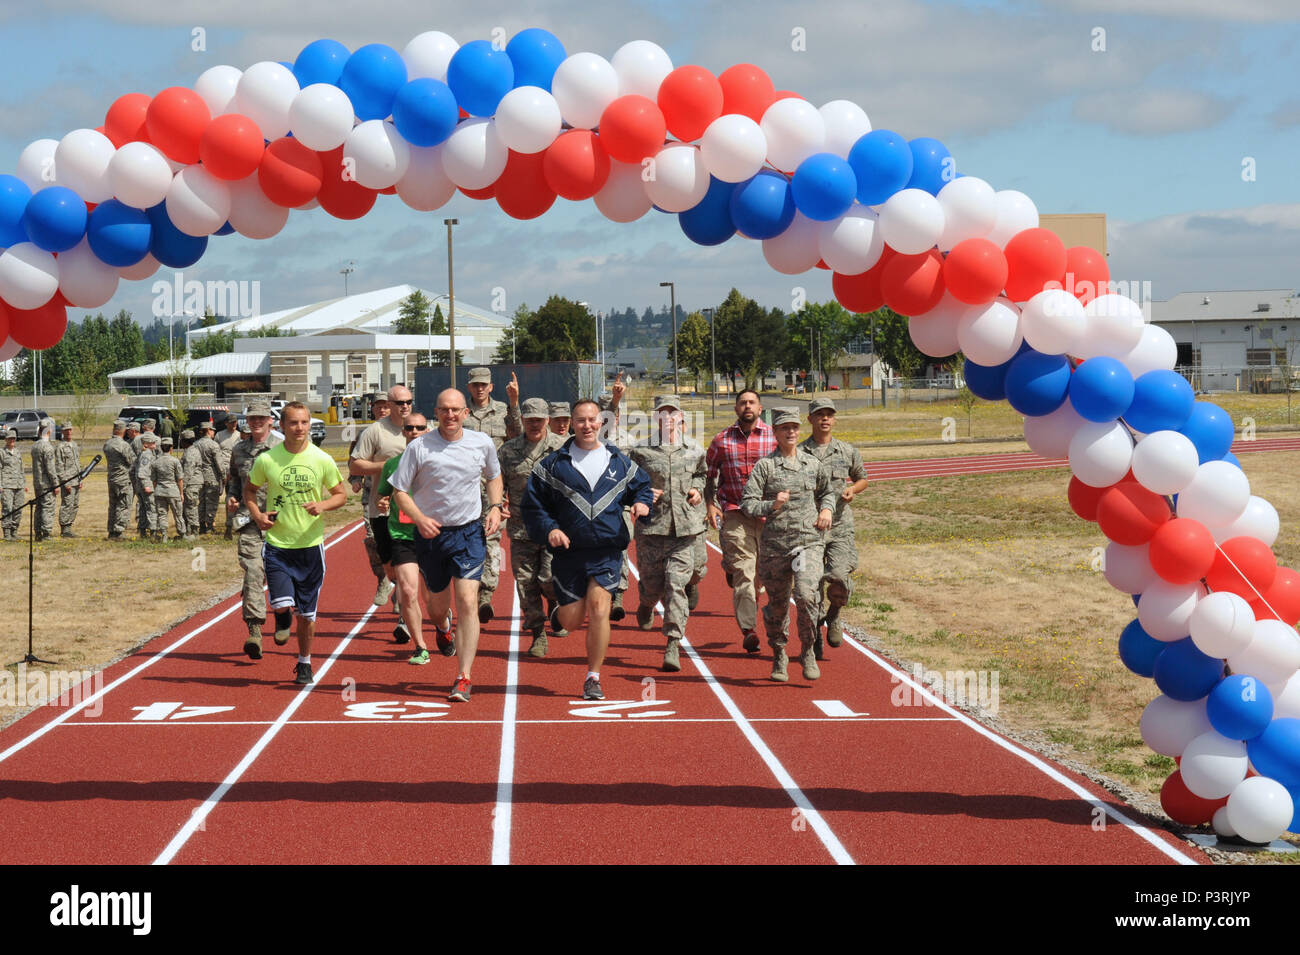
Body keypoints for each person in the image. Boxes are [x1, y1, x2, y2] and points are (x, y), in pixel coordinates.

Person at [522, 398, 651, 701]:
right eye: (581, 420)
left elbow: (642, 487)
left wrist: (643, 503)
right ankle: (559, 609)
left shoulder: (620, 462)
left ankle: (593, 676)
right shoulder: (553, 464)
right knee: (570, 620)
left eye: (593, 420)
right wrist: (550, 529)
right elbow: (532, 506)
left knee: (600, 609)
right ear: (571, 424)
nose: (588, 425)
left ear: (602, 422)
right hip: (568, 555)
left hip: (606, 551)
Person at [389, 388, 504, 703]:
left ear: (466, 413)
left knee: (468, 600)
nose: (450, 415)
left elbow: (494, 476)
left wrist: (494, 506)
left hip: (468, 533)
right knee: (436, 607)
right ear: (435, 413)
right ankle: (442, 627)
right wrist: (419, 518)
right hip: (430, 537)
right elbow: (399, 491)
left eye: (456, 410)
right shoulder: (419, 447)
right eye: (444, 410)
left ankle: (463, 676)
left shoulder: (481, 443)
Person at [245, 402, 347, 685]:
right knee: (281, 604)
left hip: (311, 547)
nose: (299, 428)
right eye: (293, 423)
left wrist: (323, 505)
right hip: (278, 545)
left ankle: (304, 662)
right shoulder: (268, 460)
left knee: (307, 614)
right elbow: (250, 491)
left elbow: (341, 495)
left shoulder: (322, 459)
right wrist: (258, 515)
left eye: (304, 423)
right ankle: (280, 616)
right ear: (282, 426)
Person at [740, 408, 836, 683]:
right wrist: (773, 504)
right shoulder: (765, 467)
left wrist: (826, 509)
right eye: (785, 428)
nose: (791, 432)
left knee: (807, 596)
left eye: (794, 427)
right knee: (778, 606)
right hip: (775, 546)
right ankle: (779, 651)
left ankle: (807, 650)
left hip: (807, 543)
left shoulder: (812, 464)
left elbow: (827, 491)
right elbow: (748, 503)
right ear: (776, 433)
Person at [628, 395, 707, 672]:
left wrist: (697, 490)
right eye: (662, 413)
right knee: (653, 586)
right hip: (652, 529)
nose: (668, 417)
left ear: (681, 417)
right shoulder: (641, 451)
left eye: (673, 412)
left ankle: (672, 643)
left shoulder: (695, 449)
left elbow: (702, 474)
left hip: (684, 530)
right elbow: (629, 484)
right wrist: (643, 493)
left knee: (676, 585)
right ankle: (646, 604)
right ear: (656, 417)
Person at [374, 412, 450, 665]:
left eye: (420, 427)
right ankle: (420, 647)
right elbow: (382, 497)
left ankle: (442, 626)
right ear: (403, 432)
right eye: (410, 428)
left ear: (427, 431)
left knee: (432, 600)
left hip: (432, 536)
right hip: (402, 536)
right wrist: (383, 501)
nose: (414, 432)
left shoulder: (440, 461)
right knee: (407, 591)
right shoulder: (392, 465)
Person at [705, 389, 776, 653]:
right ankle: (749, 630)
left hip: (769, 516)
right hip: (735, 512)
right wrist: (710, 504)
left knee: (760, 578)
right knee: (745, 573)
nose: (747, 406)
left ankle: (731, 567)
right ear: (736, 408)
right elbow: (708, 475)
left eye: (752, 402)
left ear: (760, 408)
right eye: (742, 403)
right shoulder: (721, 440)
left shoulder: (774, 437)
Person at [799, 397, 869, 657]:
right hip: (810, 527)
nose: (825, 419)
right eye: (819, 414)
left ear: (834, 419)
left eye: (829, 414)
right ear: (810, 419)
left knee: (840, 576)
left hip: (840, 525)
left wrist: (852, 489)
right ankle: (816, 629)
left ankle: (835, 613)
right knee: (812, 583)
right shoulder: (800, 452)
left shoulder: (846, 450)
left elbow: (863, 478)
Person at [497, 397, 565, 658]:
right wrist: (496, 504)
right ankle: (538, 633)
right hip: (520, 527)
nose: (535, 424)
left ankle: (555, 601)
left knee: (548, 578)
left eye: (539, 419)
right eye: (530, 420)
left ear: (548, 420)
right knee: (526, 583)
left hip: (554, 528)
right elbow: (495, 482)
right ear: (522, 421)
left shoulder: (563, 448)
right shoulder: (508, 450)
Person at [348, 385, 411, 634]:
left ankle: (405, 620)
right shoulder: (374, 432)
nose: (403, 406)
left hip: (413, 511)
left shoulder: (420, 428)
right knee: (391, 565)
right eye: (397, 403)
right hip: (381, 509)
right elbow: (355, 465)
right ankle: (388, 583)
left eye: (408, 402)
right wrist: (389, 466)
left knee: (410, 567)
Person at [461, 366, 521, 624]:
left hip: (494, 488)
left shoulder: (505, 412)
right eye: (475, 384)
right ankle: (469, 593)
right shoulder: (460, 415)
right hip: (464, 489)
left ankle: (485, 595)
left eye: (484, 384)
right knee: (466, 540)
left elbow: (518, 435)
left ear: (491, 386)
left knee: (492, 541)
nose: (480, 388)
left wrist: (514, 402)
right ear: (469, 387)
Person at [226, 402, 284, 658]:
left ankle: (284, 617)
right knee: (252, 571)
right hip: (249, 521)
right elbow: (234, 481)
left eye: (261, 418)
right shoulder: (238, 450)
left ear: (270, 420)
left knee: (281, 574)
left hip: (280, 522)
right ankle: (255, 630)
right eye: (252, 418)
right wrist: (232, 497)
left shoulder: (282, 448)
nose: (256, 422)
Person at [351, 395, 394, 608]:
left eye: (387, 406)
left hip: (398, 498)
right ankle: (383, 579)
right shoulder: (366, 433)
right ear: (373, 409)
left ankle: (400, 588)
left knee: (400, 543)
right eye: (379, 407)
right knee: (372, 539)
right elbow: (354, 461)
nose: (383, 410)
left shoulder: (401, 430)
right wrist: (355, 480)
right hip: (372, 497)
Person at [103, 419, 135, 540]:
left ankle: (111, 530)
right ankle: (119, 531)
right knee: (123, 504)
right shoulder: (123, 445)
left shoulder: (107, 444)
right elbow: (131, 460)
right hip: (122, 479)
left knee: (113, 505)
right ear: (122, 431)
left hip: (111, 478)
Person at [151, 436, 187, 541]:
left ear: (161, 448)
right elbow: (180, 479)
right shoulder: (175, 461)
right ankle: (182, 534)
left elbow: (154, 480)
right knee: (178, 514)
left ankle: (164, 535)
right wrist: (181, 493)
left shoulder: (156, 462)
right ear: (171, 448)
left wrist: (156, 491)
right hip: (173, 491)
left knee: (162, 515)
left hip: (159, 491)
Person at [193, 422, 223, 534]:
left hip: (199, 477)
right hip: (212, 477)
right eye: (213, 430)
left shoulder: (195, 445)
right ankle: (210, 526)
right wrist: (224, 477)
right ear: (209, 430)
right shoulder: (213, 445)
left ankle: (201, 525)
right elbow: (219, 464)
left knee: (201, 502)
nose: (214, 432)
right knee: (212, 502)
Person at [216, 414, 241, 538]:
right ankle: (229, 526)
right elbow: (216, 453)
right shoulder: (219, 435)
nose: (234, 424)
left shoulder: (240, 436)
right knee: (228, 500)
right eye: (231, 422)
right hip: (223, 471)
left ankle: (237, 525)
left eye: (235, 422)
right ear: (226, 423)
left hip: (235, 472)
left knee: (237, 499)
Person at [55, 423, 82, 538]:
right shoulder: (60, 447)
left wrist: (80, 479)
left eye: (70, 430)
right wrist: (65, 482)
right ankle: (64, 529)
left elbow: (77, 463)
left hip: (76, 479)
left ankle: (69, 526)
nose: (69, 432)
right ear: (62, 432)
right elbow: (59, 466)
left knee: (75, 505)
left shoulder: (74, 445)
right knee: (67, 504)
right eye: (66, 430)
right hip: (68, 481)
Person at [0, 429, 27, 541]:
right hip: (6, 485)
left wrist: (24, 483)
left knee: (18, 508)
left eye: (13, 438)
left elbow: (21, 469)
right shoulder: (1, 452)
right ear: (6, 439)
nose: (12, 440)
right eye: (10, 438)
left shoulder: (17, 452)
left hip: (19, 485)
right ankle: (7, 534)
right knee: (8, 508)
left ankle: (14, 531)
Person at [134, 431, 159, 540]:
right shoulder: (147, 455)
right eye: (152, 442)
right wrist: (146, 486)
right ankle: (153, 532)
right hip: (146, 486)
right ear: (146, 444)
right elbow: (142, 472)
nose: (155, 444)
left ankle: (143, 532)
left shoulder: (144, 453)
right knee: (151, 509)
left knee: (143, 509)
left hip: (141, 486)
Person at [180, 429, 203, 535]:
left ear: (185, 441)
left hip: (191, 484)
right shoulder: (191, 450)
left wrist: (181, 487)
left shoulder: (190, 453)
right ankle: (189, 530)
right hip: (192, 483)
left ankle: (194, 531)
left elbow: (188, 472)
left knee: (191, 507)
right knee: (188, 507)